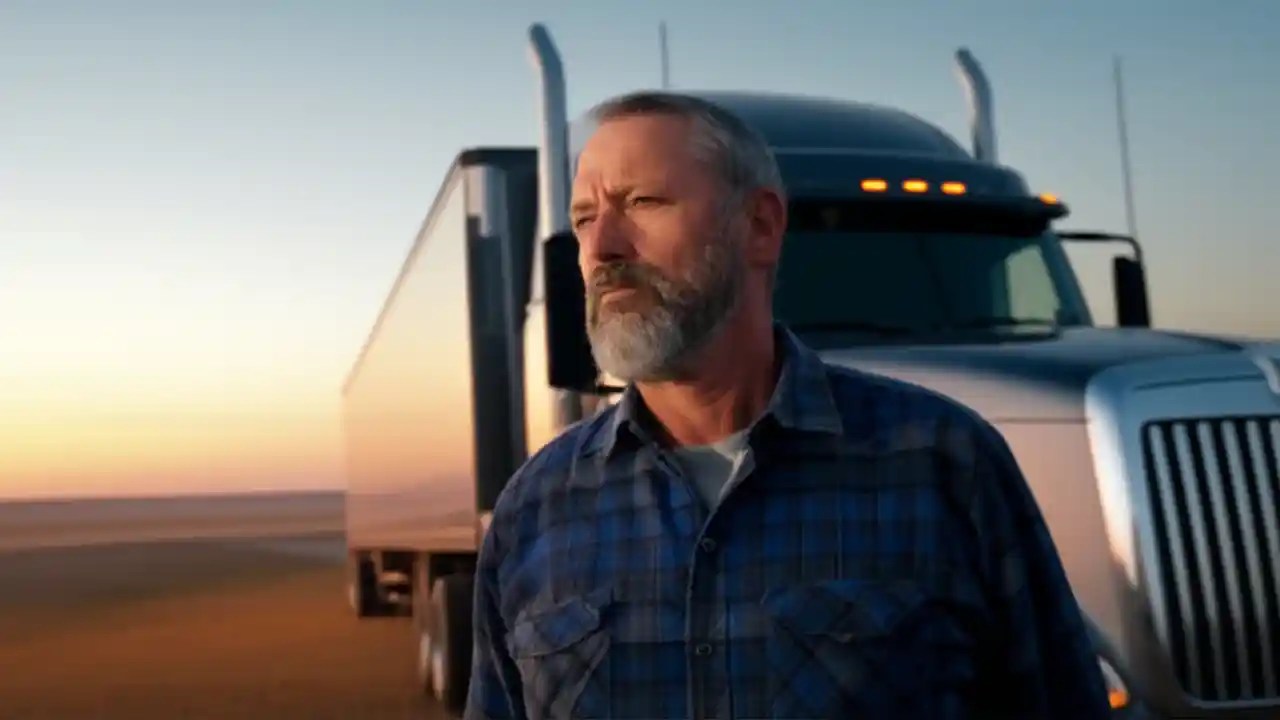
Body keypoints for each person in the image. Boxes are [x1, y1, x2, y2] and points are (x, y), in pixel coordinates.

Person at [464, 91, 1112, 720]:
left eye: (643, 201)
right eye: (583, 218)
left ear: (760, 226)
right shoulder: (534, 509)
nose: (601, 246)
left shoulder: (942, 464)